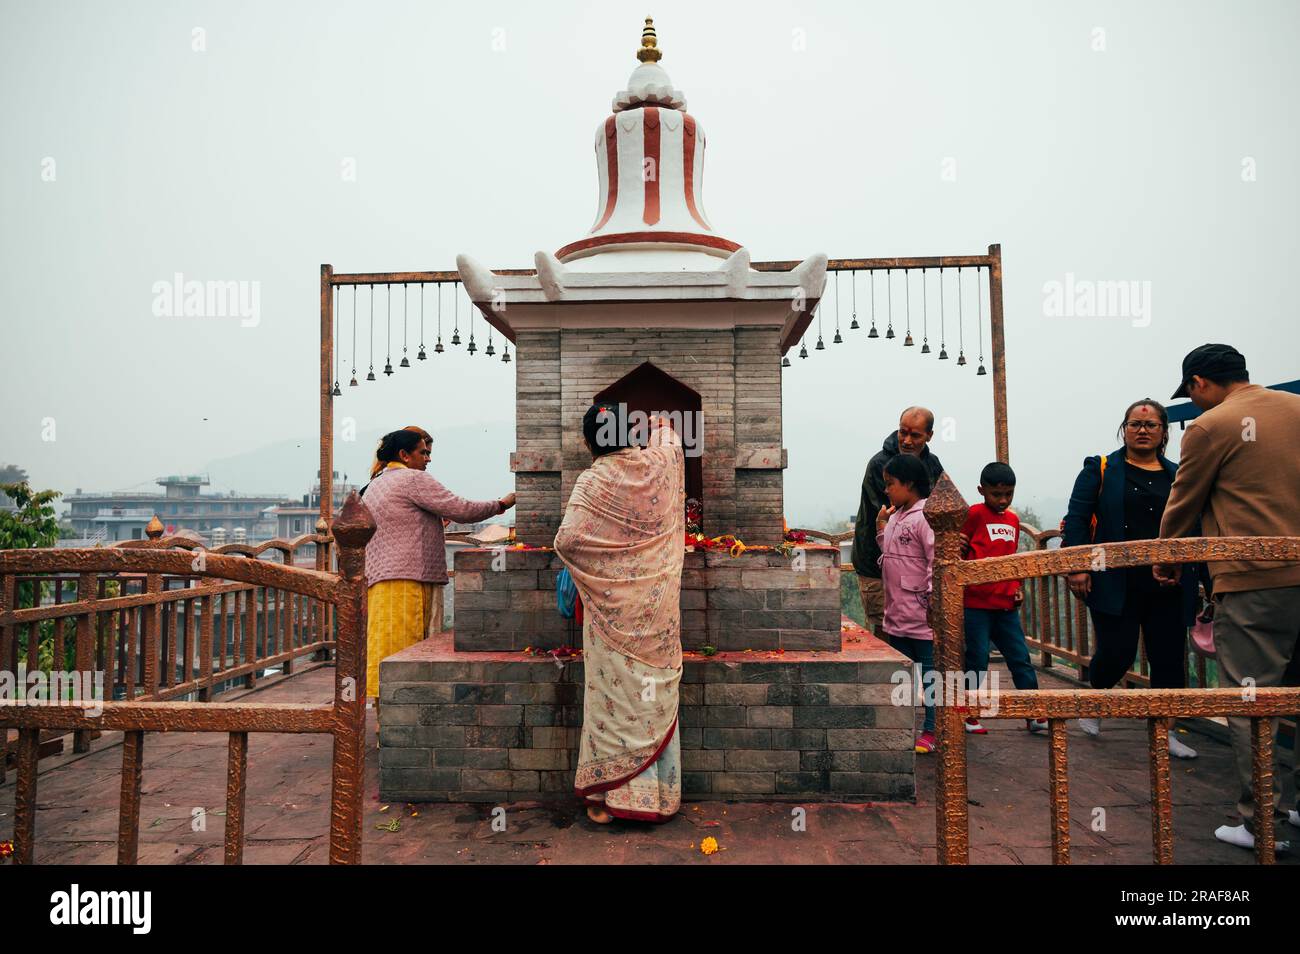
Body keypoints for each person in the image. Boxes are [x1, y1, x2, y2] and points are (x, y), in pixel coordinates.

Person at [1154, 344, 1300, 851]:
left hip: (1255, 578)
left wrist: (1164, 557)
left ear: (1198, 383)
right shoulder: (1295, 409)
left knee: (1252, 698)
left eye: (1191, 395)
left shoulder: (1211, 426)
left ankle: (1261, 823)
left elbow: (1184, 500)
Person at [555, 404, 685, 825]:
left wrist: (604, 574)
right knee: (651, 698)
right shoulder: (658, 465)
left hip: (611, 612)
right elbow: (669, 442)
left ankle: (605, 797)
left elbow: (569, 540)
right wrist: (661, 425)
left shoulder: (593, 480)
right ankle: (655, 798)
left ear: (590, 441)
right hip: (656, 611)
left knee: (612, 703)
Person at [1061, 398, 1201, 759]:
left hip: (1168, 581)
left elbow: (1193, 523)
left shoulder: (1177, 474)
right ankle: (1096, 699)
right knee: (1118, 651)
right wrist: (1076, 566)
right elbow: (1077, 519)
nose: (1142, 430)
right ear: (1124, 430)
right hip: (1113, 579)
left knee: (1169, 658)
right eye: (1134, 425)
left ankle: (1164, 730)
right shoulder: (1101, 469)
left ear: (1163, 432)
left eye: (1150, 425)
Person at [362, 429, 515, 706]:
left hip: (382, 579)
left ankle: (386, 722)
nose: (428, 459)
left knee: (385, 648)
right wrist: (501, 504)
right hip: (408, 579)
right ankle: (406, 717)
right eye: (424, 453)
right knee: (409, 653)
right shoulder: (412, 478)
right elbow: (461, 509)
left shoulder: (377, 483)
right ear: (404, 455)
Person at [959, 462, 1047, 736]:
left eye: (1009, 494)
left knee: (1020, 657)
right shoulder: (973, 514)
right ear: (981, 490)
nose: (1003, 500)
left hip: (1006, 603)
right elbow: (958, 550)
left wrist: (1017, 585)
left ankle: (1032, 713)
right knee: (977, 658)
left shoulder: (1012, 520)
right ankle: (968, 713)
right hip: (975, 604)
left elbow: (1011, 559)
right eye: (997, 494)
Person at [852, 407, 945, 636]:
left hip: (919, 567)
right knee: (886, 630)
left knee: (922, 630)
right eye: (903, 432)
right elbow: (887, 515)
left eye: (915, 435)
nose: (907, 440)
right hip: (877, 564)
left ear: (929, 436)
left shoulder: (932, 465)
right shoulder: (879, 465)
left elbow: (943, 505)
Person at [875, 453, 938, 754]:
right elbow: (890, 555)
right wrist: (880, 528)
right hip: (897, 614)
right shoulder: (897, 516)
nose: (886, 489)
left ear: (910, 484)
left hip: (922, 617)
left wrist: (932, 601)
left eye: (891, 484)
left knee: (930, 676)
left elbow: (935, 562)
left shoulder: (926, 518)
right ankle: (902, 727)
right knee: (902, 676)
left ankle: (933, 729)